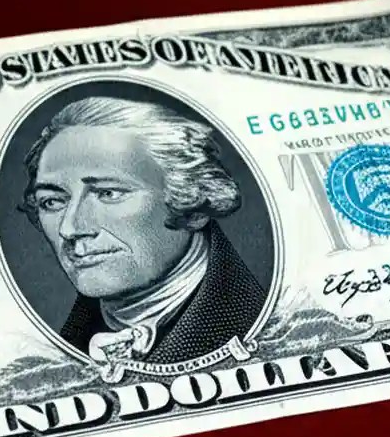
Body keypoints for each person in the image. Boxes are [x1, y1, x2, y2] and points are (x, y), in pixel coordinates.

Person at [20, 96, 267, 365]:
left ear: (193, 205)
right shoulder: (62, 348)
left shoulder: (266, 323)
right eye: (52, 201)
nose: (70, 228)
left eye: (108, 193)